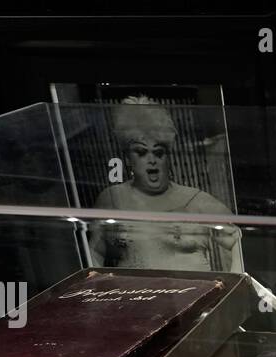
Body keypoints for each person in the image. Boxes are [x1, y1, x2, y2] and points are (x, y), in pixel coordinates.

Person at [90, 96, 238, 271]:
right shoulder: (113, 199)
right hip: (135, 295)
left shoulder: (196, 201)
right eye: (141, 153)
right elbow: (93, 253)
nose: (152, 160)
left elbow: (239, 241)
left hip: (191, 294)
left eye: (159, 153)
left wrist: (233, 287)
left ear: (168, 158)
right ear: (128, 159)